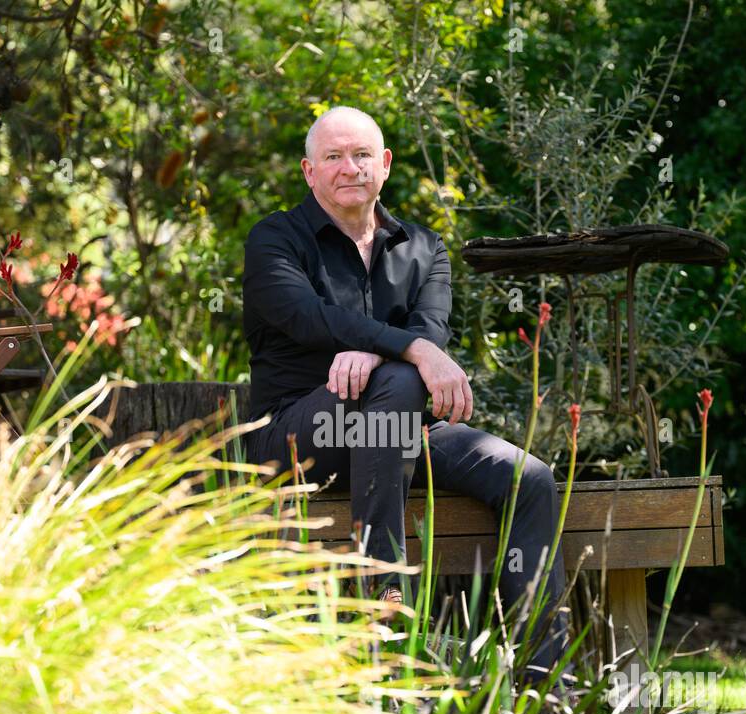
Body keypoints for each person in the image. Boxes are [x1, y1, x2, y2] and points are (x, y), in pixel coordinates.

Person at [242, 105, 570, 678]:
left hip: (400, 436)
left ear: (385, 164)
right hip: (298, 436)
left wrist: (383, 350)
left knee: (530, 477)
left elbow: (432, 331)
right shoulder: (275, 239)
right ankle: (383, 592)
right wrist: (408, 351)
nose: (351, 168)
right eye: (334, 156)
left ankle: (548, 688)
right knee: (397, 376)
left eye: (363, 155)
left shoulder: (424, 248)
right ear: (309, 171)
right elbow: (306, 317)